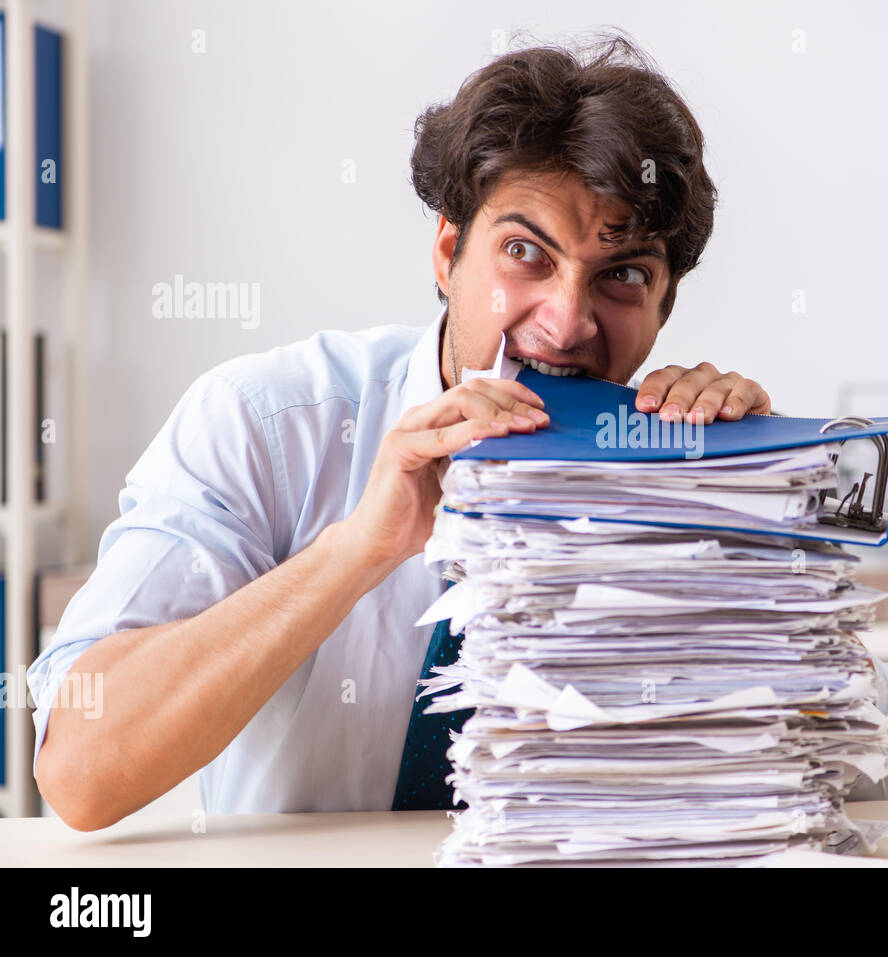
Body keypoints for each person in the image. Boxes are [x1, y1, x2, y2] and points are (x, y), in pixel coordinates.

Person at [27, 34, 780, 831]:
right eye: (525, 253)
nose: (566, 323)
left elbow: (845, 766)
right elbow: (80, 770)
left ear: (663, 306)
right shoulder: (266, 423)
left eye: (622, 274)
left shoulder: (680, 474)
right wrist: (359, 548)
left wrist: (750, 521)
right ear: (449, 250)